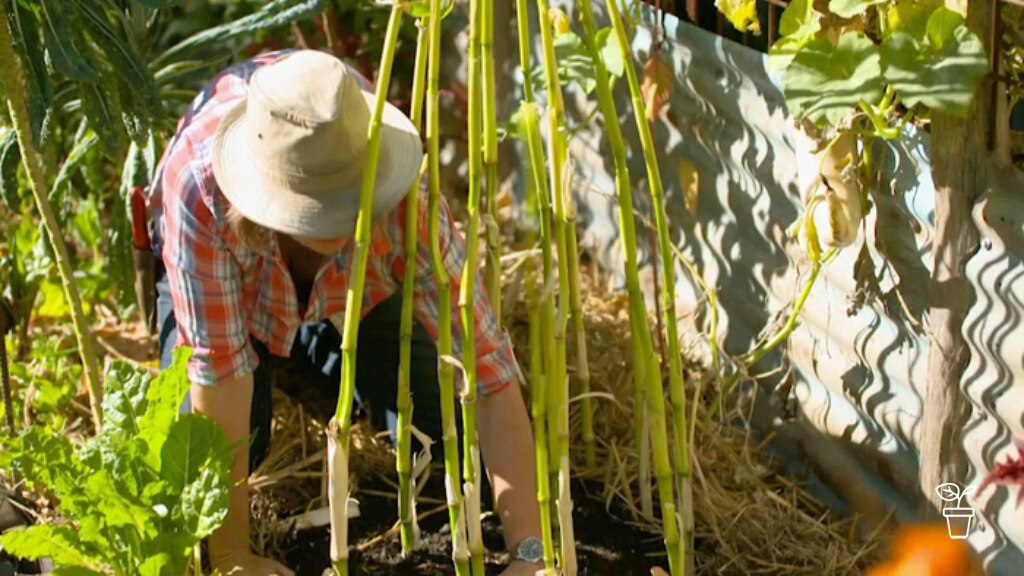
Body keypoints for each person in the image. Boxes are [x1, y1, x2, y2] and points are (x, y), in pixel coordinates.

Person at [148, 49, 543, 575]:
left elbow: (484, 365)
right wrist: (231, 556)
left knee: (446, 432)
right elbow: (218, 375)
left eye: (345, 201)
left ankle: (313, 340)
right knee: (219, 454)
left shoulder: (407, 201)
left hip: (358, 303)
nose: (333, 220)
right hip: (230, 298)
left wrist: (531, 552)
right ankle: (284, 342)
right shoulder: (202, 191)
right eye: (314, 208)